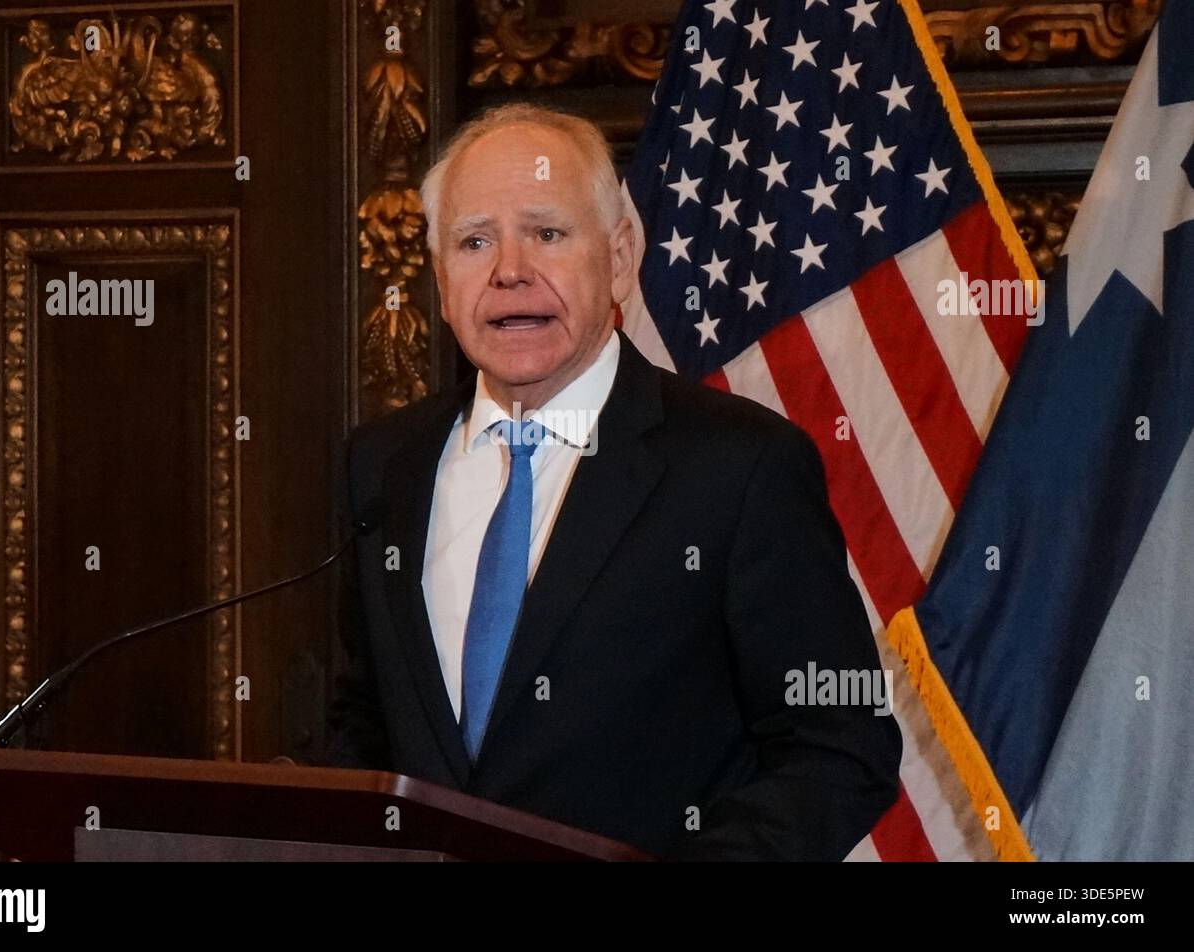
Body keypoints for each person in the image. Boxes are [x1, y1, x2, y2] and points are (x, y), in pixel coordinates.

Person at [326, 103, 902, 860]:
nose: (509, 271)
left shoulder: (741, 466)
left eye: (548, 233)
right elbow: (355, 726)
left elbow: (839, 749)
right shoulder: (379, 466)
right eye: (474, 242)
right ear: (439, 277)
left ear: (621, 255)